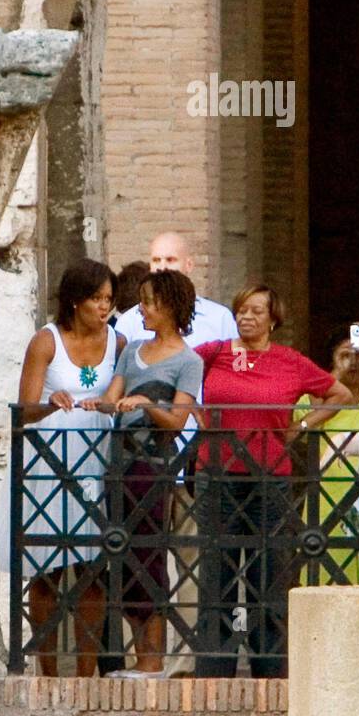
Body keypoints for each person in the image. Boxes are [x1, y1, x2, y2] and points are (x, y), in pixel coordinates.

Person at [194, 285, 352, 678]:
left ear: (273, 319)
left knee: (270, 573)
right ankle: (217, 668)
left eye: (256, 311)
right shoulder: (213, 353)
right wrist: (196, 417)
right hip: (217, 476)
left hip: (270, 477)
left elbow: (339, 393)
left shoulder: (289, 361)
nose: (247, 317)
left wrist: (301, 425)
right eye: (242, 310)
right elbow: (174, 374)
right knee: (220, 572)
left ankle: (271, 668)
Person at [114, 230, 237, 674]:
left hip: (190, 454)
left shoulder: (220, 319)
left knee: (188, 556)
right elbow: (119, 384)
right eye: (155, 258)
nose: (161, 265)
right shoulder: (130, 323)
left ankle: (182, 660)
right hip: (134, 459)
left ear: (189, 264)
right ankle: (140, 656)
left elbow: (217, 383)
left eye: (170, 258)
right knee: (138, 551)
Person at [0, 259, 122, 677]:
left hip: (95, 460)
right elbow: (24, 410)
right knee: (47, 569)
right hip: (49, 462)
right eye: (95, 299)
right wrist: (51, 402)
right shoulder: (46, 342)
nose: (103, 307)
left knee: (92, 569)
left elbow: (121, 397)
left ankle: (86, 670)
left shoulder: (118, 343)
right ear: (74, 300)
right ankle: (48, 669)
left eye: (108, 299)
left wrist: (104, 404)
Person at [100, 269, 202, 677]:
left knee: (150, 557)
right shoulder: (132, 350)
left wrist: (144, 403)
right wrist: (96, 403)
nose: (141, 309)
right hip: (120, 463)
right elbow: (112, 398)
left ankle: (152, 659)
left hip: (155, 467)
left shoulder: (189, 360)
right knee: (122, 555)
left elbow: (177, 420)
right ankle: (137, 655)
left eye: (149, 301)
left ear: (171, 307)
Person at [296, 333, 359, 587]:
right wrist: (331, 383)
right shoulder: (318, 399)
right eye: (345, 355)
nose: (354, 362)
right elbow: (301, 422)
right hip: (325, 504)